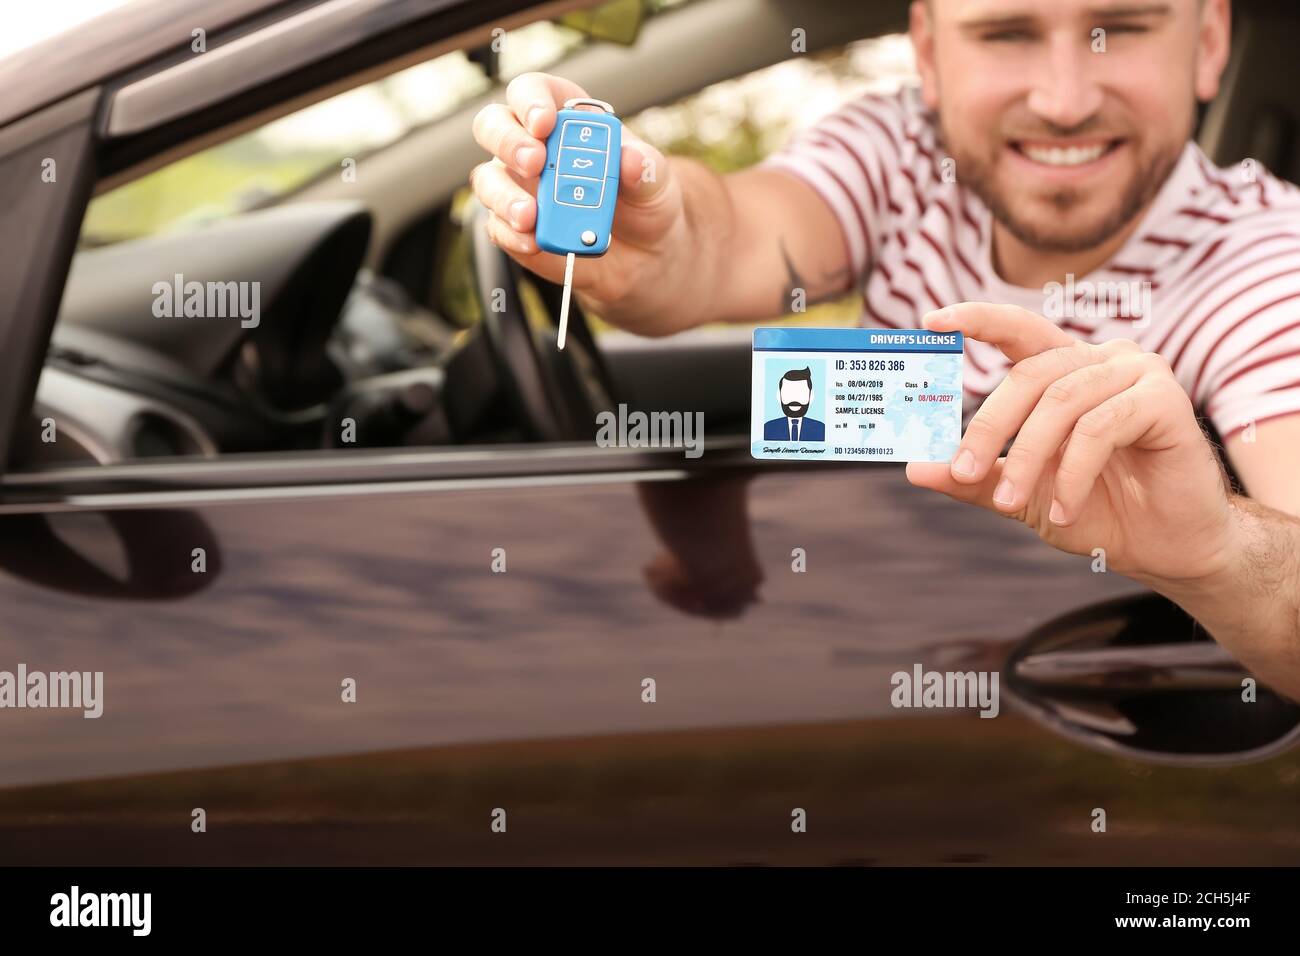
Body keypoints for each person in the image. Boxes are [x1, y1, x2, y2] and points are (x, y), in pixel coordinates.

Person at [471, 0, 1300, 700]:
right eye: (1006, 33)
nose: (1063, 100)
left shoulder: (1268, 263)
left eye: (1119, 27)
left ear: (1211, 42)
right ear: (930, 53)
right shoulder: (902, 153)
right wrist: (661, 231)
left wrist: (1223, 552)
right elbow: (730, 236)